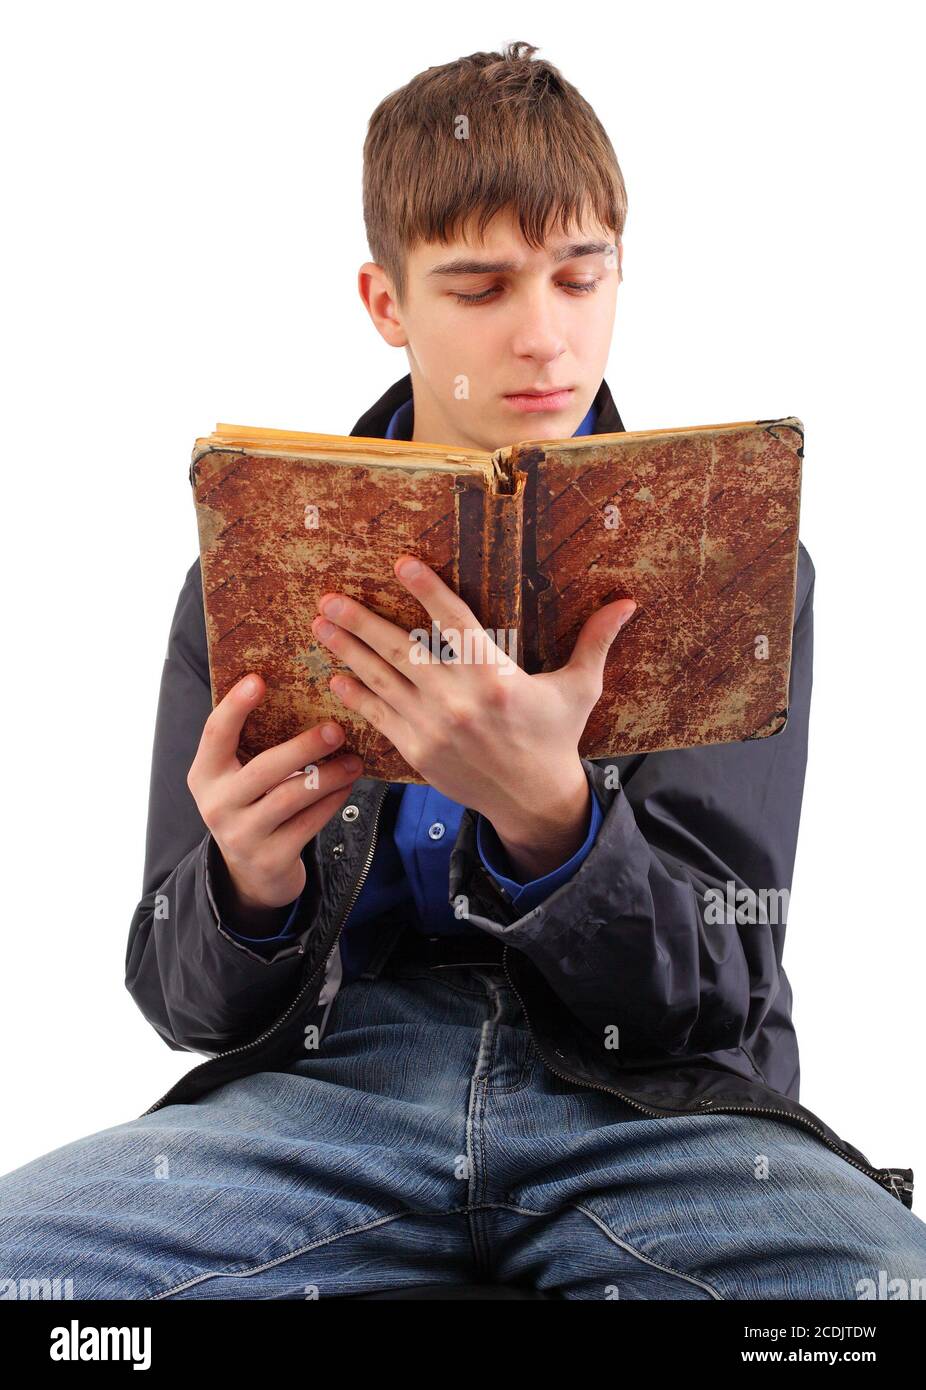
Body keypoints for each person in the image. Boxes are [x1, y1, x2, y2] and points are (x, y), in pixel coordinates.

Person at [0, 41, 923, 1302]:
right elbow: (179, 991)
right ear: (387, 303)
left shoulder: (734, 553)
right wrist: (241, 888)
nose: (543, 336)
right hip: (334, 1090)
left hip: (646, 1108)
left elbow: (720, 986)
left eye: (578, 276)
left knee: (875, 1294)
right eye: (479, 287)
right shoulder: (253, 558)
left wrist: (554, 824)